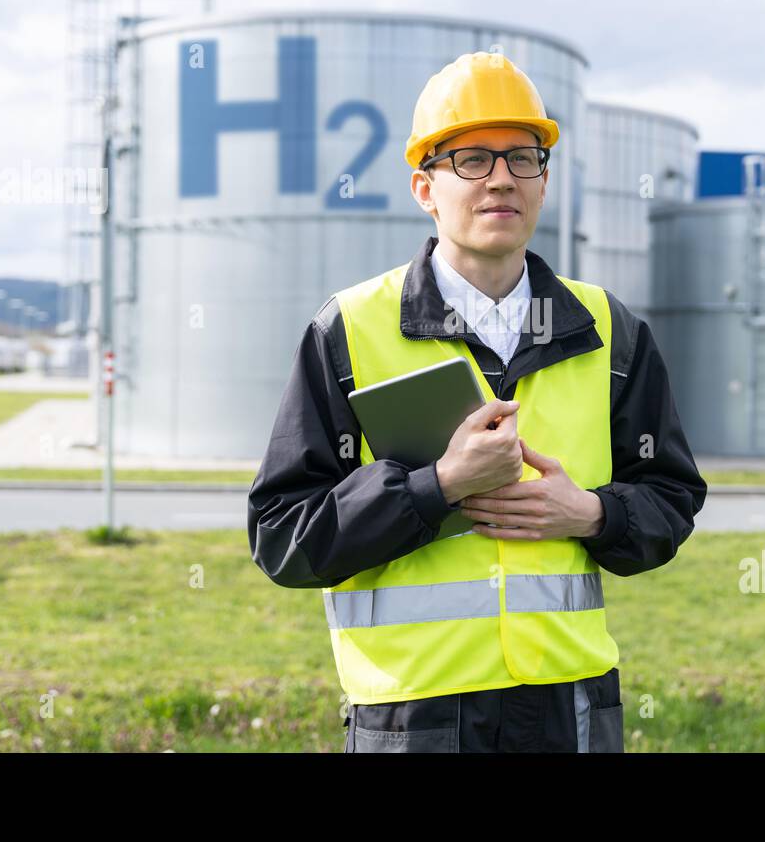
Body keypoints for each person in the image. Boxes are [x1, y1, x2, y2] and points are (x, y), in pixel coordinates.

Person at [247, 50, 707, 752]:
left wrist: (591, 513)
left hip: (568, 708)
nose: (500, 178)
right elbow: (285, 539)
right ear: (424, 187)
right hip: (411, 717)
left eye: (523, 157)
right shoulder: (349, 327)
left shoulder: (610, 329)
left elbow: (670, 501)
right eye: (470, 159)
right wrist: (437, 488)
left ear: (544, 183)